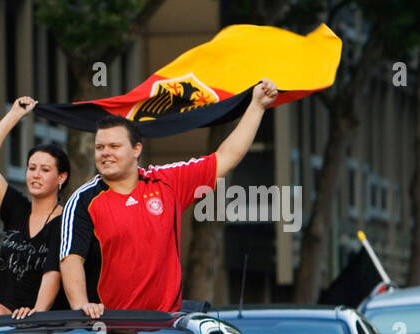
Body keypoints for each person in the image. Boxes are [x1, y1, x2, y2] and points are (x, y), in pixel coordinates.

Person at [60, 79, 280, 316]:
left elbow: (224, 158)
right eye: (99, 147)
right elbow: (71, 258)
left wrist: (257, 106)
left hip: (164, 327)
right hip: (111, 327)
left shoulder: (166, 183)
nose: (105, 153)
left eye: (114, 146)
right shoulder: (83, 200)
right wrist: (81, 307)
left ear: (136, 150)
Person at [0, 97, 70, 316]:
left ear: (61, 177)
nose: (36, 175)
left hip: (44, 327)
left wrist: (36, 313)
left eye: (45, 170)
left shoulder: (68, 221)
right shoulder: (16, 209)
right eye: (31, 168)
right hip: (4, 323)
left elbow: (53, 274)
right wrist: (14, 115)